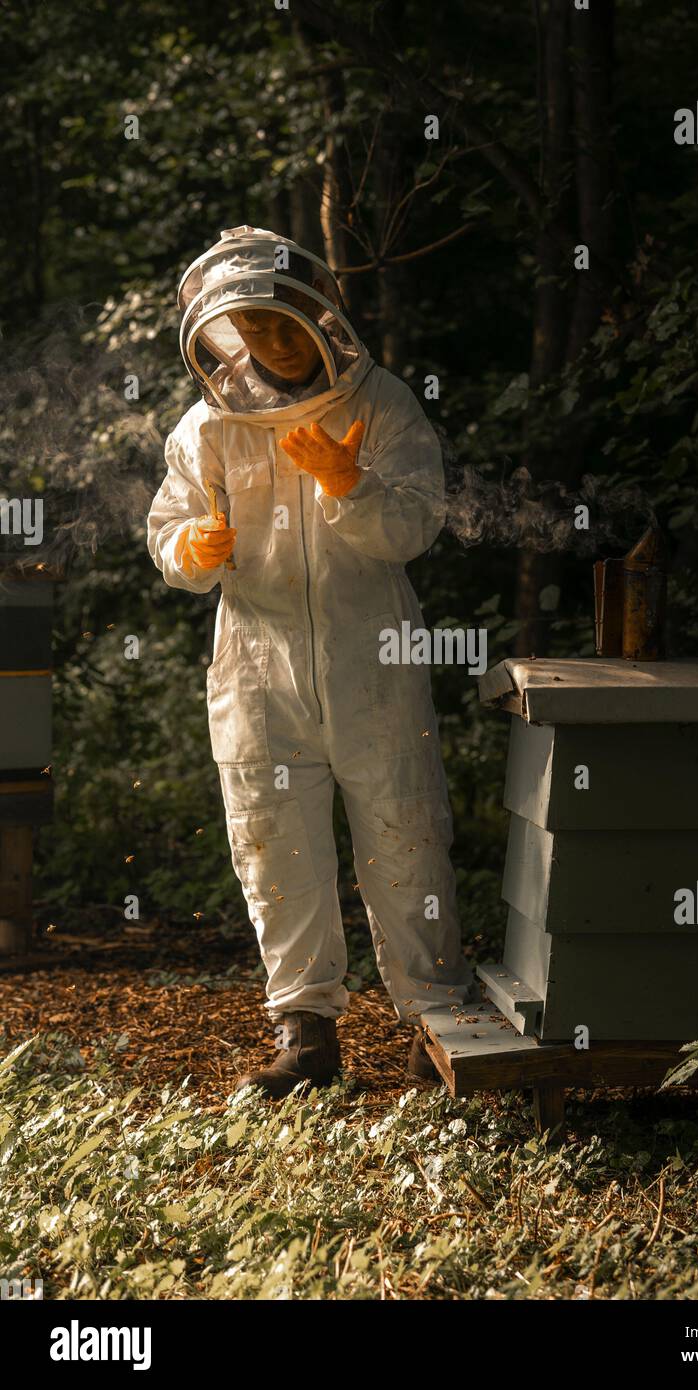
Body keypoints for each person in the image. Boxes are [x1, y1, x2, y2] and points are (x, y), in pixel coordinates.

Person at [146, 225, 479, 1097]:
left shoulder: (385, 404)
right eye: (253, 332)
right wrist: (194, 546)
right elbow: (167, 533)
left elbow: (414, 527)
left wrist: (346, 480)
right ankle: (306, 1035)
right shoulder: (208, 426)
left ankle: (435, 1025)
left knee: (406, 835)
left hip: (372, 658)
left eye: (283, 326)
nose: (272, 346)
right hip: (257, 670)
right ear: (227, 337)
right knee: (274, 846)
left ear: (321, 315)